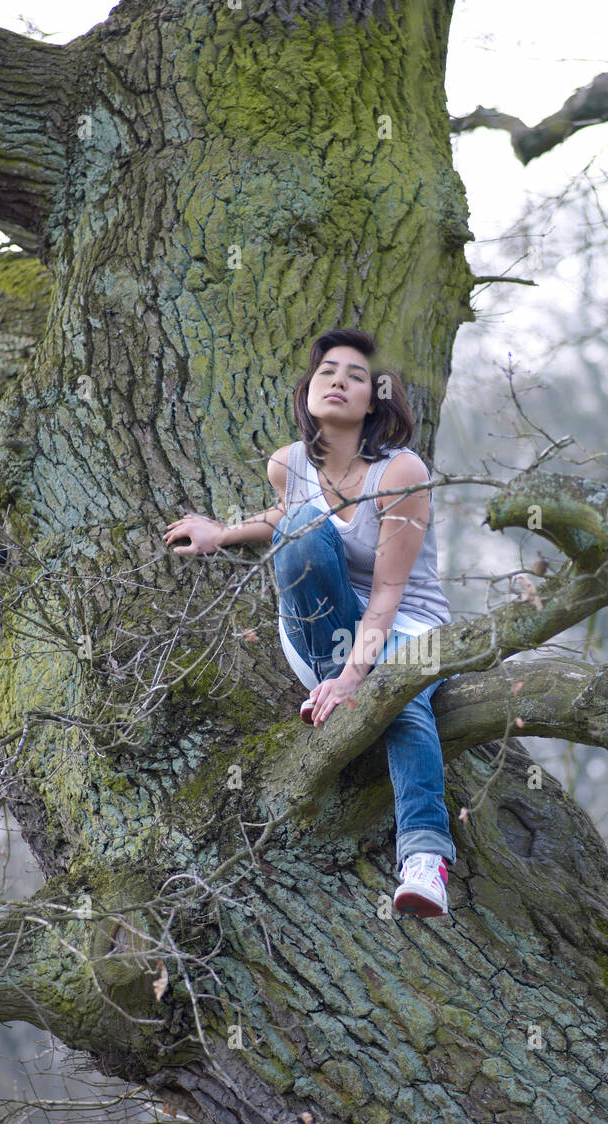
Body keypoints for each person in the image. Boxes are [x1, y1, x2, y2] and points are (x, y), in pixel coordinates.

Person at [162, 327, 455, 918]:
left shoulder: (400, 473)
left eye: (355, 376)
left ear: (375, 400)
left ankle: (426, 859)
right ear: (308, 391)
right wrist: (222, 534)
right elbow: (289, 515)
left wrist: (354, 677)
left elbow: (389, 590)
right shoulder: (287, 465)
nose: (340, 382)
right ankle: (347, 693)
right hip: (320, 631)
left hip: (408, 624)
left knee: (399, 693)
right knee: (302, 526)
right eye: (328, 372)